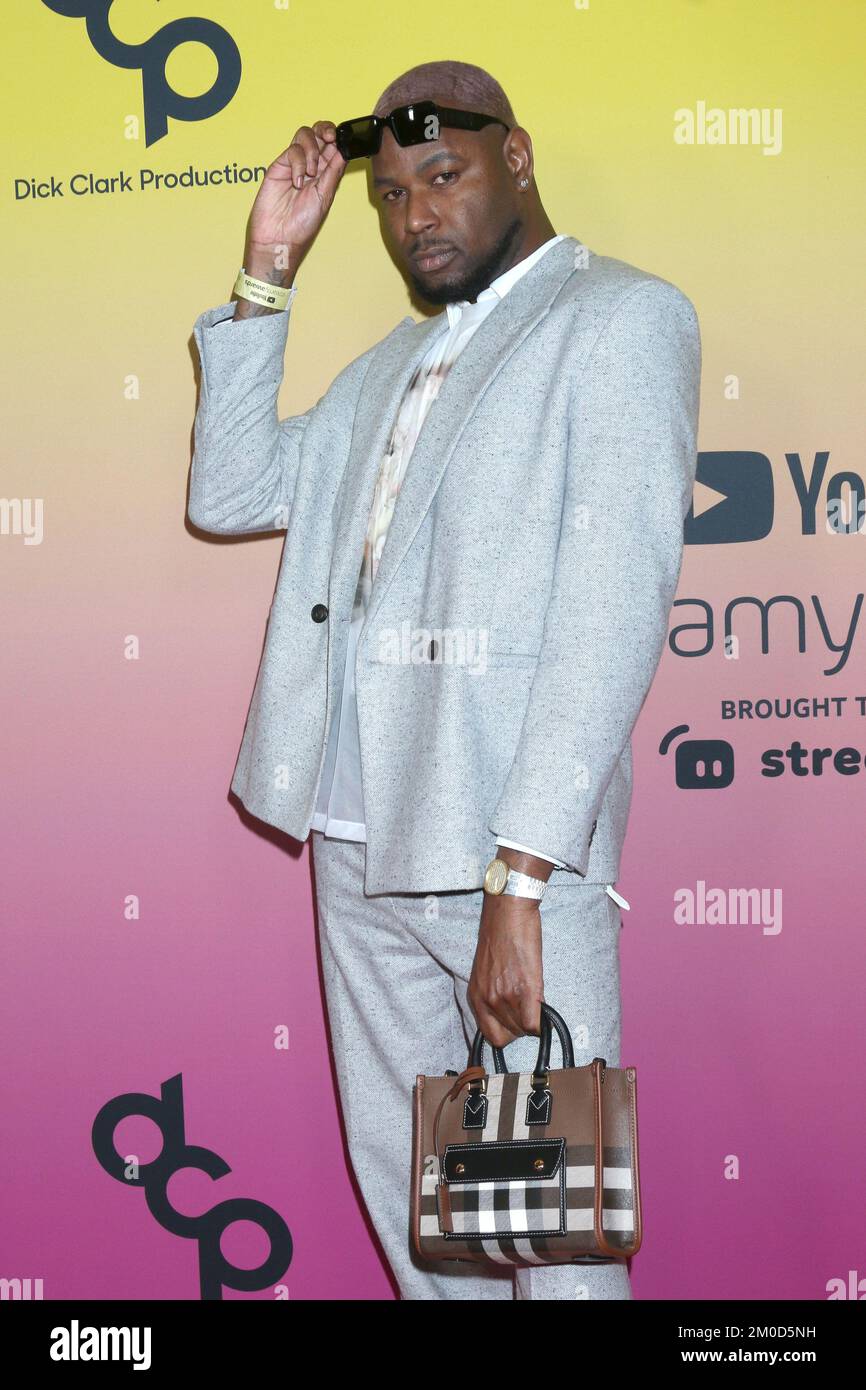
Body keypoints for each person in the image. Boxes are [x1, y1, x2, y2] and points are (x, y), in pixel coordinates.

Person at [187, 59, 701, 1299]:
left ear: (513, 158)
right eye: (393, 196)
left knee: (553, 1232)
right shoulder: (382, 373)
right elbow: (232, 492)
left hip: (498, 857)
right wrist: (270, 266)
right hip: (355, 844)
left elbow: (607, 612)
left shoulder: (620, 318)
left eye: (443, 176)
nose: (415, 213)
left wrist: (522, 877)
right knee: (433, 1231)